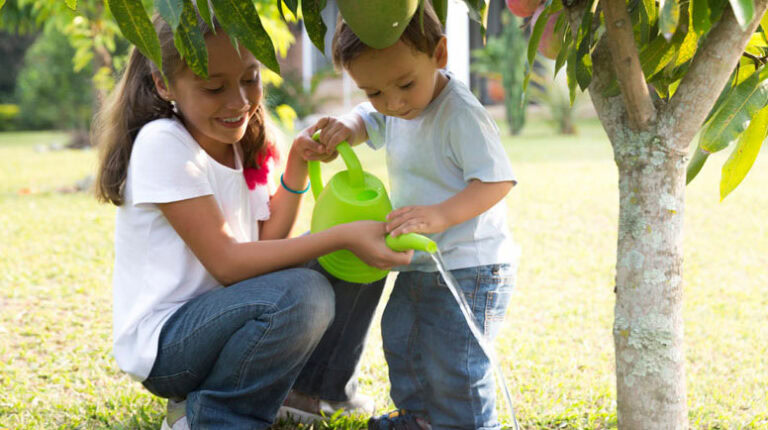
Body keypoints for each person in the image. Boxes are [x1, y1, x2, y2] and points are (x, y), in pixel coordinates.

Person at [92, 12, 412, 430]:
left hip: (233, 315)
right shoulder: (163, 143)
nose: (239, 101)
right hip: (169, 345)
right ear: (164, 84)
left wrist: (297, 163)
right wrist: (341, 236)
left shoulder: (247, 138)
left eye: (250, 78)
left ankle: (313, 392)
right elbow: (228, 263)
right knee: (305, 291)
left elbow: (267, 241)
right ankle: (214, 415)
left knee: (353, 259)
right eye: (214, 87)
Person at [297, 3, 519, 429]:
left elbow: (496, 181)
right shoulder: (400, 104)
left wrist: (440, 214)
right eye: (374, 92)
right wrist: (349, 126)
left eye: (404, 85)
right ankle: (419, 418)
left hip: (470, 265)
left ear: (439, 55)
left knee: (455, 358)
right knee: (404, 339)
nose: (393, 103)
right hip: (420, 258)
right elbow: (371, 119)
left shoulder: (460, 114)